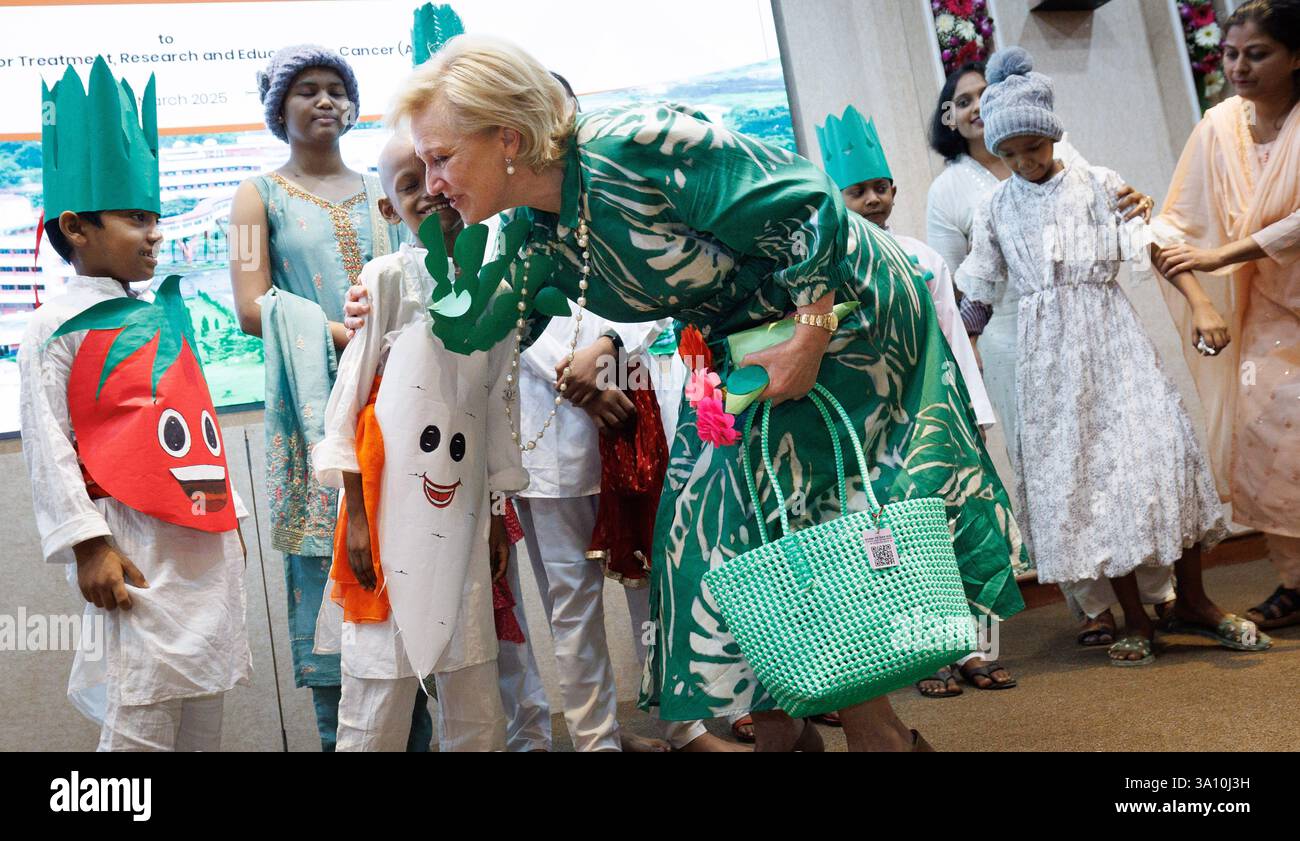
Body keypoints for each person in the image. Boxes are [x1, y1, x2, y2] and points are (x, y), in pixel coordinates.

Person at [381, 34, 1026, 751]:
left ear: (506, 136)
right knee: (714, 537)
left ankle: (871, 741)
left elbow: (812, 204)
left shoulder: (632, 146)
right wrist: (382, 302)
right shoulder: (536, 233)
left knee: (810, 526)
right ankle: (810, 736)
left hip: (843, 310)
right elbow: (484, 333)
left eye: (441, 157)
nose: (431, 181)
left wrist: (810, 333)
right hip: (742, 345)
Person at [955, 47, 1265, 666]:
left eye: (1034, 147)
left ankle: (1195, 601)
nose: (1023, 162)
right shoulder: (996, 208)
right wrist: (954, 356)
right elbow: (979, 293)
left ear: (1053, 134)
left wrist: (1202, 304)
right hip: (1052, 365)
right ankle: (1133, 618)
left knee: (1162, 456)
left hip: (1114, 341)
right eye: (1009, 152)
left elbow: (1152, 248)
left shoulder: (1098, 183)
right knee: (1093, 482)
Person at [21, 57, 251, 750]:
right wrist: (90, 543)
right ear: (77, 227)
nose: (152, 232)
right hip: (133, 546)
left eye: (155, 217)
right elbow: (50, 444)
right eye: (132, 218)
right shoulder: (51, 326)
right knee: (142, 710)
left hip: (203, 549)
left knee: (202, 714)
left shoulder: (158, 315)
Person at [925, 59, 1169, 649]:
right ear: (953, 118)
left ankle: (1165, 596)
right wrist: (962, 351)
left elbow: (1130, 227)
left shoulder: (1078, 169)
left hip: (1100, 331)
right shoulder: (964, 193)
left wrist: (1139, 209)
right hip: (1027, 345)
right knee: (1069, 469)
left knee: (1138, 451)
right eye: (966, 100)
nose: (979, 106)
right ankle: (1096, 607)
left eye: (988, 93)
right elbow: (966, 284)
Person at [228, 45, 430, 751]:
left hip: (402, 397)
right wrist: (346, 332)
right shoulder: (257, 194)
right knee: (335, 581)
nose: (324, 101)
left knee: (417, 570)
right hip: (319, 413)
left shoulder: (387, 184)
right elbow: (252, 307)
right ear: (278, 110)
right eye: (306, 91)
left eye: (336, 89)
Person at [311, 133, 521, 751]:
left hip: (464, 506)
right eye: (408, 185)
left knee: (472, 680)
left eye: (437, 173)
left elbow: (495, 405)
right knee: (378, 685)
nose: (429, 192)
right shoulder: (384, 280)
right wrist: (355, 520)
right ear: (387, 208)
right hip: (384, 507)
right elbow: (347, 406)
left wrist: (494, 516)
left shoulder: (499, 288)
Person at [816, 105, 1012, 699]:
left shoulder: (924, 260)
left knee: (956, 525)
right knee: (898, 544)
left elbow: (956, 340)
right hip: (872, 429)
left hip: (932, 414)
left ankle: (975, 647)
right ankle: (924, 653)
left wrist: (974, 413)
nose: (872, 199)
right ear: (835, 197)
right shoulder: (828, 269)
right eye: (857, 191)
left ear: (895, 189)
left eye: (880, 188)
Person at [1150, 0, 1300, 631]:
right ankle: (1296, 581)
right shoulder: (1217, 127)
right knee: (1271, 439)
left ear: (1296, 57)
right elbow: (1169, 225)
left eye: (1257, 53)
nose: (1238, 66)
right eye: (1231, 53)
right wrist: (1201, 294)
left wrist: (1223, 253)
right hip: (1262, 308)